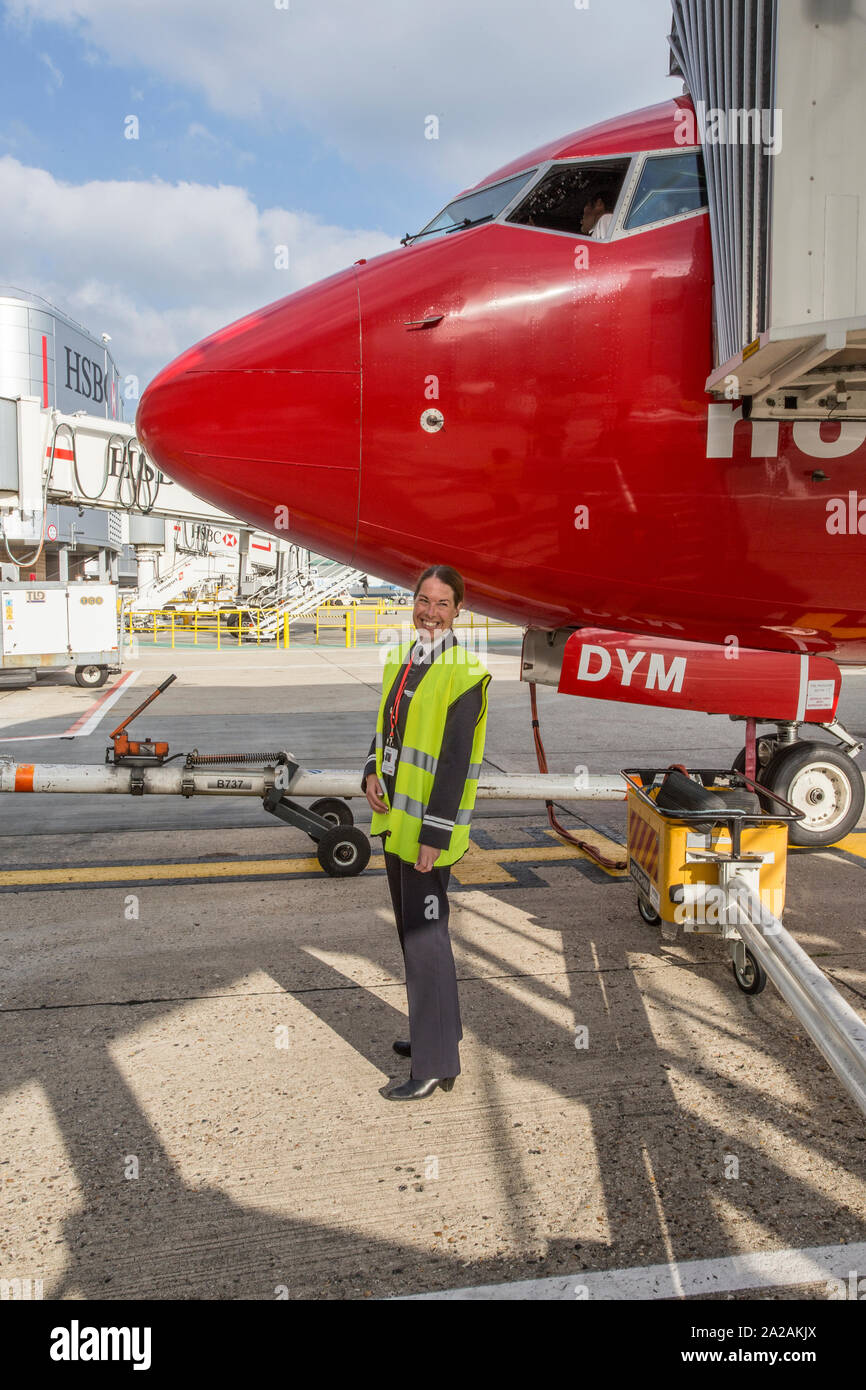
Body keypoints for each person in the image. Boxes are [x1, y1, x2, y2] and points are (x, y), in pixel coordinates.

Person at [362, 565, 491, 1100]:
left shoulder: (466, 673)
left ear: (458, 610)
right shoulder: (401, 659)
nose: (429, 611)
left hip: (427, 837)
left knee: (426, 941)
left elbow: (455, 765)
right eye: (423, 600)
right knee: (413, 937)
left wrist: (434, 838)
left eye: (442, 603)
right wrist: (369, 769)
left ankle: (436, 1064)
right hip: (397, 824)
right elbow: (383, 731)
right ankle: (435, 1033)